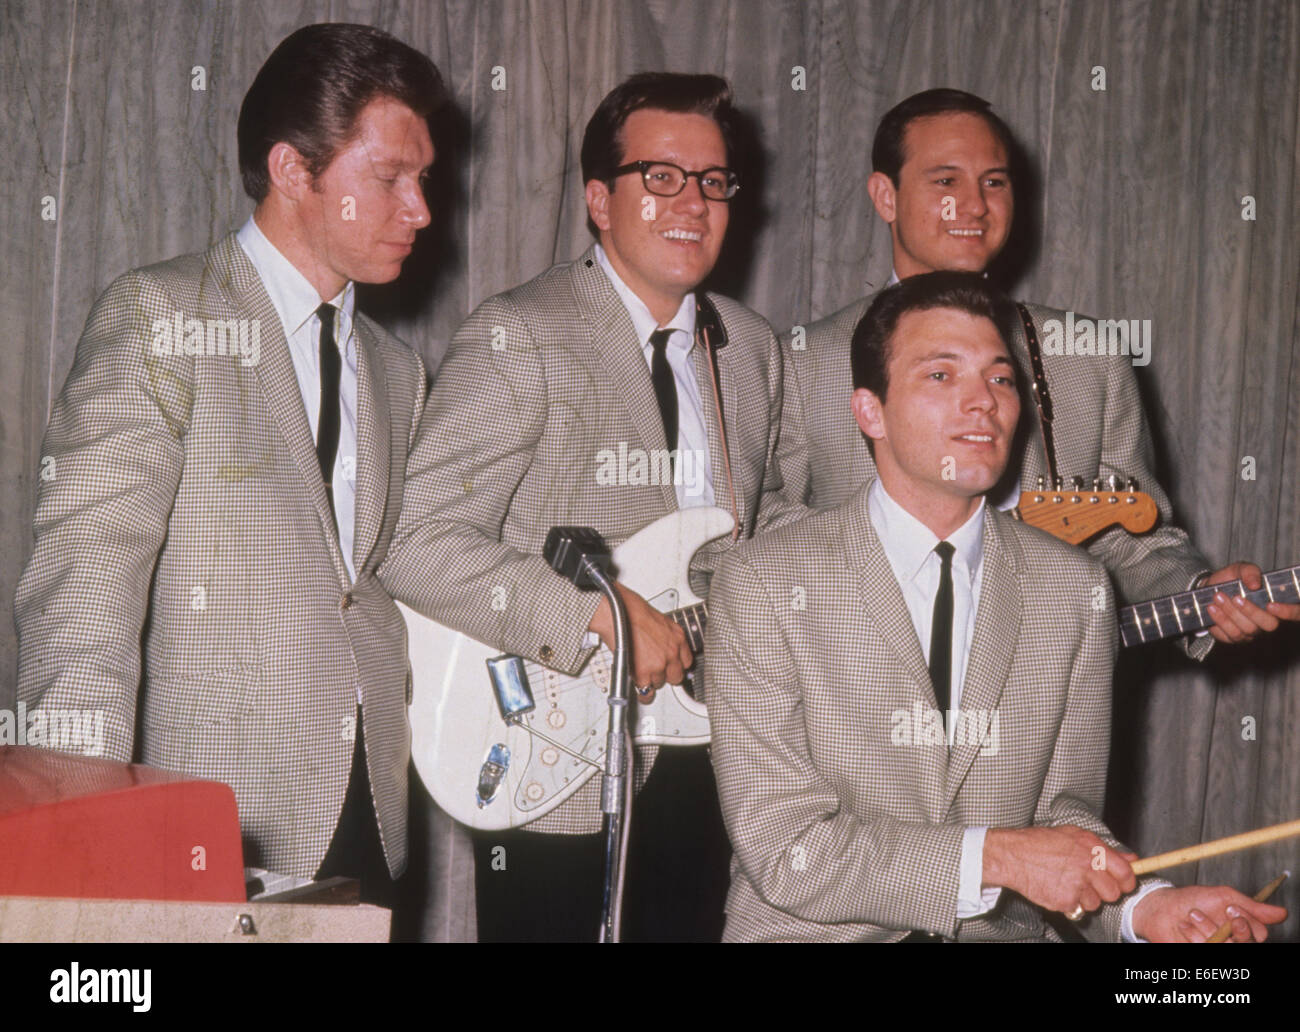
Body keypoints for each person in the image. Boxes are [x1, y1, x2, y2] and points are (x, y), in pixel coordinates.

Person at [706, 272, 1287, 942]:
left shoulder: (1077, 591)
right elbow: (787, 849)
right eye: (941, 376)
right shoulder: (761, 584)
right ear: (869, 411)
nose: (982, 401)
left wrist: (1142, 909)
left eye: (1001, 379)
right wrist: (996, 856)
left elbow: (1066, 827)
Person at [14, 23, 444, 907]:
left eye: (425, 179)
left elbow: (403, 575)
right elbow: (84, 597)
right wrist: (88, 831)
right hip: (198, 820)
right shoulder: (160, 318)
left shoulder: (399, 372)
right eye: (391, 178)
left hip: (374, 822)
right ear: (293, 170)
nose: (422, 209)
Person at [380, 72, 804, 941]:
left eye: (714, 181)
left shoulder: (752, 349)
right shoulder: (521, 333)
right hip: (557, 756)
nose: (694, 202)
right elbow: (416, 542)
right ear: (600, 200)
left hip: (716, 761)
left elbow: (772, 533)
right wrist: (599, 616)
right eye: (662, 176)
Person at [778, 88, 1299, 653]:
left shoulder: (1089, 357)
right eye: (946, 181)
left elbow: (1133, 545)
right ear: (886, 195)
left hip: (1044, 718)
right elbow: (761, 546)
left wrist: (1200, 592)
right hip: (854, 707)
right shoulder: (801, 362)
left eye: (994, 182)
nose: (975, 205)